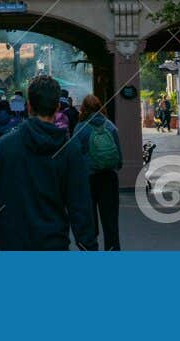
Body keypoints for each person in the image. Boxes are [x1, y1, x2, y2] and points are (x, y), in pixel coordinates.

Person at [0, 76, 96, 251]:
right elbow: (80, 205)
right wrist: (88, 245)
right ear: (57, 107)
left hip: (12, 243)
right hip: (54, 243)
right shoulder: (69, 150)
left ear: (28, 107)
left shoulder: (4, 147)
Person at [73, 94, 123, 250]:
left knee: (89, 222)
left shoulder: (80, 128)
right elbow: (119, 158)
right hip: (109, 178)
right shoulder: (110, 126)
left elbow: (74, 157)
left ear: (83, 109)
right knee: (111, 223)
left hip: (88, 179)